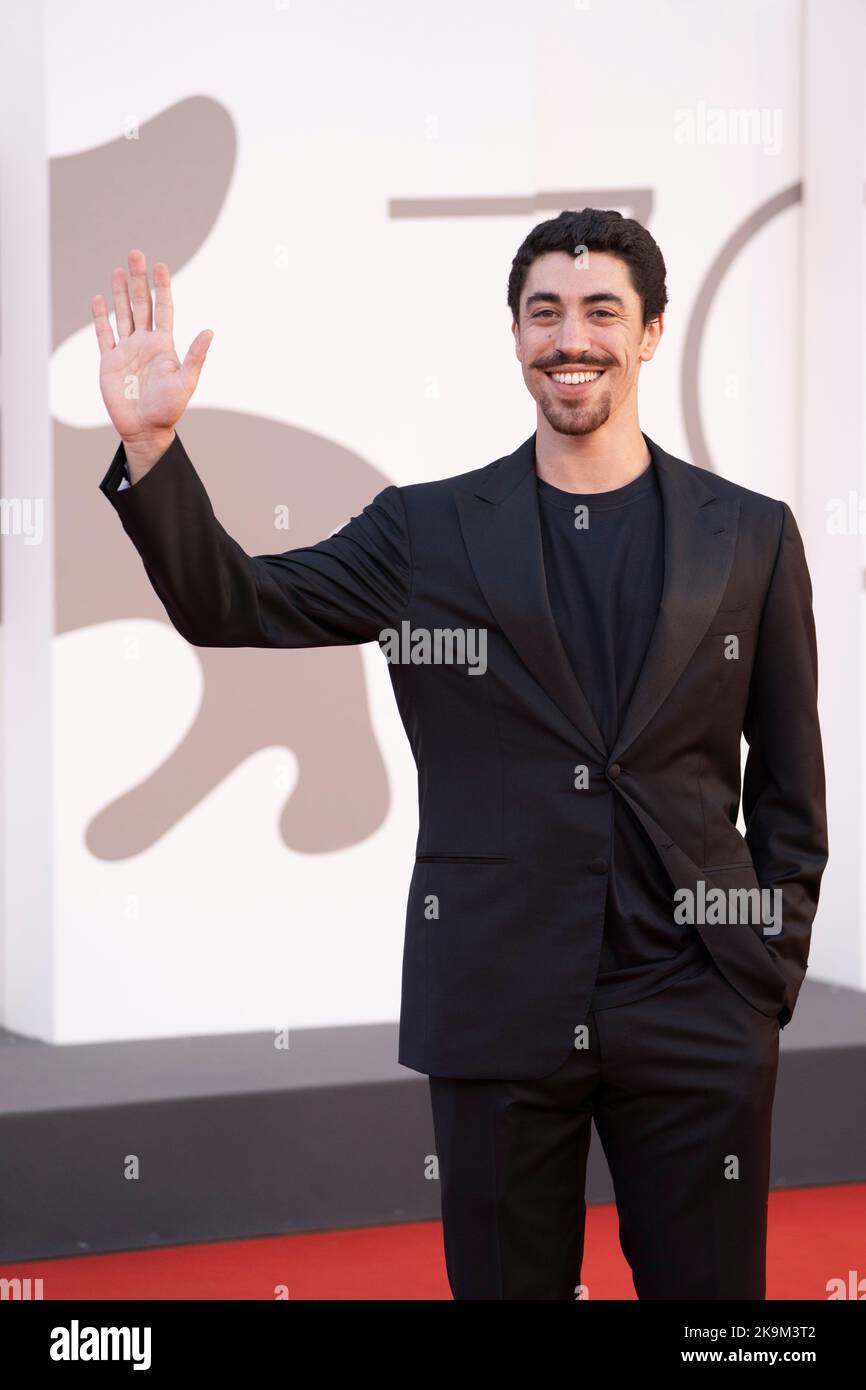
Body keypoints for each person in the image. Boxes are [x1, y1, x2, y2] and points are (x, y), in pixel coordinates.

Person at [92, 209, 828, 1300]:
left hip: (696, 1003)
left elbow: (788, 785)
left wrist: (761, 970)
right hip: (496, 1000)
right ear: (515, 336)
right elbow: (230, 601)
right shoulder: (424, 534)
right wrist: (152, 449)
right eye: (543, 313)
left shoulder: (750, 533)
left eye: (598, 312)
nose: (568, 337)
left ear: (651, 331)